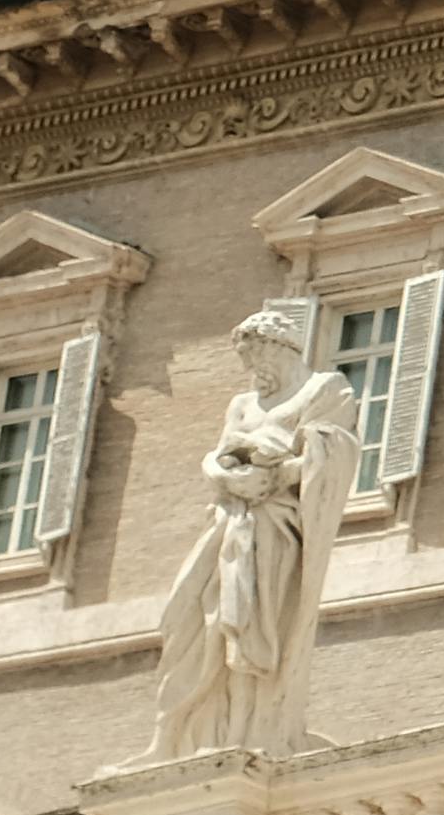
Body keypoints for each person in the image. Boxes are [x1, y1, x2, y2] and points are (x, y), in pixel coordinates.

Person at [145, 301, 359, 760]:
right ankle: (179, 731)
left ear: (279, 348)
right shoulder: (243, 403)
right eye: (246, 361)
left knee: (248, 627)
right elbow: (216, 456)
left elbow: (336, 454)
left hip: (275, 527)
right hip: (229, 521)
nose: (251, 370)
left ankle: (245, 732)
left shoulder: (326, 388)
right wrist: (227, 477)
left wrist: (282, 474)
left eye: (256, 358)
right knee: (189, 619)